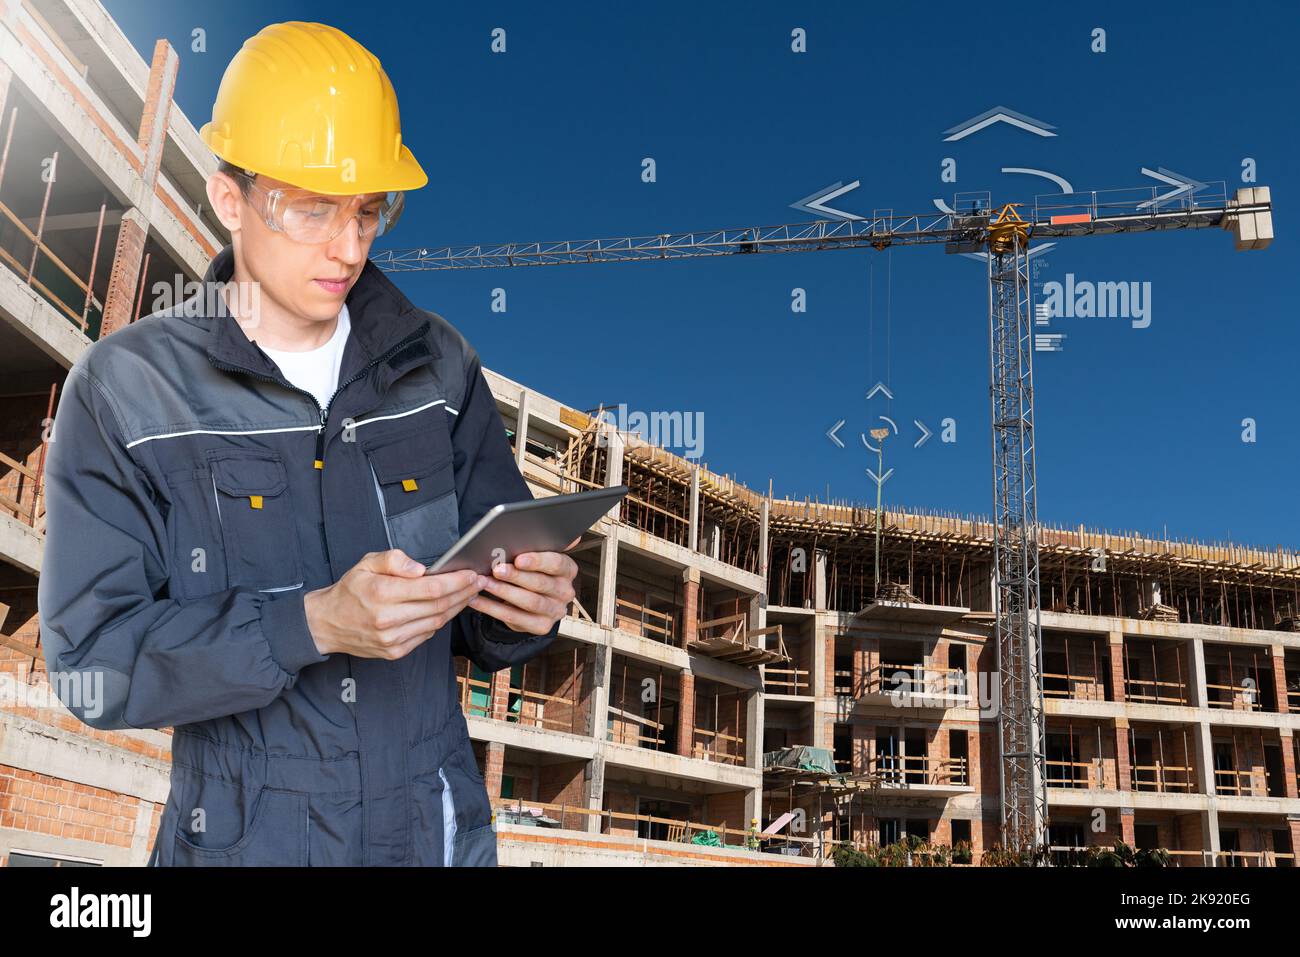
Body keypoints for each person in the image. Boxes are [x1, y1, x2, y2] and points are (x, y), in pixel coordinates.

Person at [36, 20, 576, 867]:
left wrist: (527, 612)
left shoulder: (438, 366)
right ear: (229, 199)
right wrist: (309, 624)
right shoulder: (125, 391)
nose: (349, 245)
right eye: (313, 207)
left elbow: (486, 609)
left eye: (369, 210)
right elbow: (88, 663)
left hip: (432, 835)